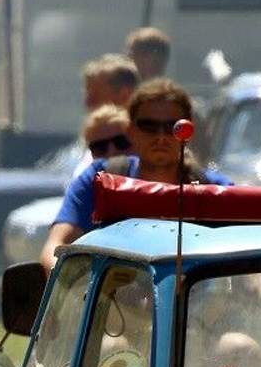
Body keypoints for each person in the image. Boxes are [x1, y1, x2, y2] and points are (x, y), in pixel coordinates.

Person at [40, 78, 231, 270]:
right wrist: (74, 294)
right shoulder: (99, 181)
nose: (161, 137)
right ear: (130, 131)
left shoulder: (215, 190)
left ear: (189, 132)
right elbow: (54, 248)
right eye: (149, 126)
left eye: (173, 127)